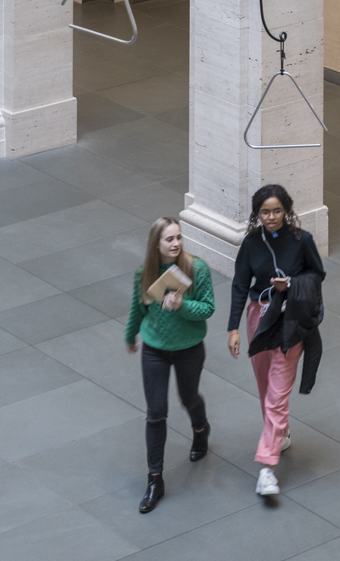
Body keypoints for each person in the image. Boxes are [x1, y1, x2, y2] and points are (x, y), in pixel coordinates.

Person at [227, 184, 325, 498]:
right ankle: (279, 435)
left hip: (290, 320)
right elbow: (240, 285)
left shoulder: (302, 240)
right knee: (264, 386)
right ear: (258, 214)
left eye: (277, 211)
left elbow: (317, 274)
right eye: (265, 212)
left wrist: (291, 284)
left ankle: (267, 469)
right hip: (258, 318)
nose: (271, 217)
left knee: (278, 391)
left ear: (287, 210)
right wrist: (233, 328)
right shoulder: (252, 243)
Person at [125, 216, 215, 514]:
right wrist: (130, 336)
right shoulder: (145, 272)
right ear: (157, 244)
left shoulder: (196, 268)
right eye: (169, 239)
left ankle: (201, 429)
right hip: (155, 351)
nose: (176, 243)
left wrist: (183, 305)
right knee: (156, 413)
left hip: (189, 349)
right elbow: (138, 309)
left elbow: (208, 307)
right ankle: (155, 480)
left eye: (178, 237)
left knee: (188, 397)